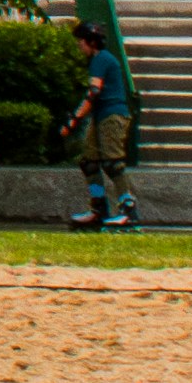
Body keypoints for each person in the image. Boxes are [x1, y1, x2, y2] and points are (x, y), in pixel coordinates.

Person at [61, 13, 144, 232]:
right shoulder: (98, 60)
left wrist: (73, 120)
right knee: (89, 162)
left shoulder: (102, 59)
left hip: (112, 115)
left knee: (112, 163)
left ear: (90, 41)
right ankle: (99, 209)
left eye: (81, 42)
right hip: (100, 115)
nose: (79, 46)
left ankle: (128, 211)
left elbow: (93, 92)